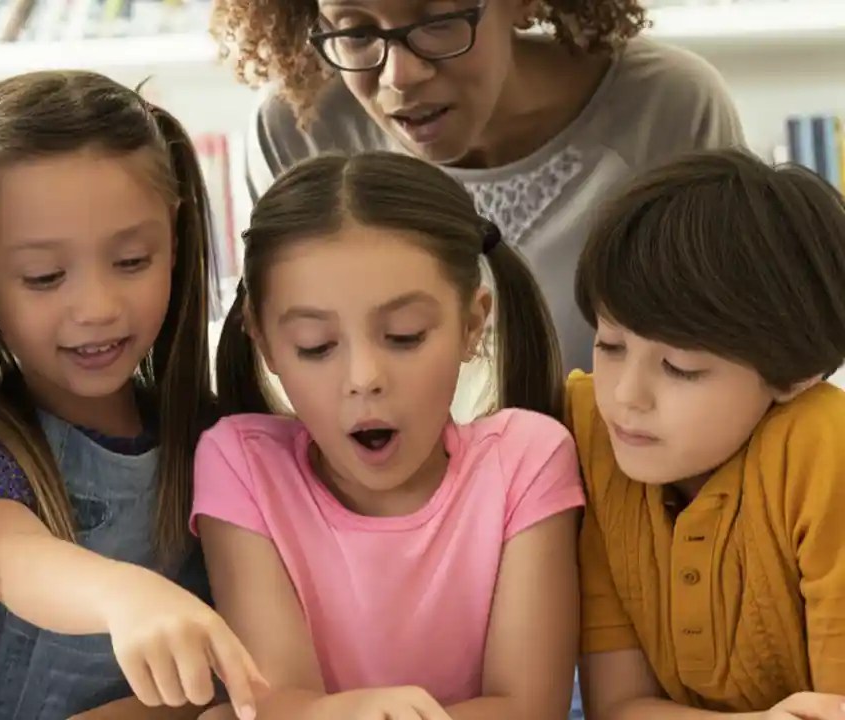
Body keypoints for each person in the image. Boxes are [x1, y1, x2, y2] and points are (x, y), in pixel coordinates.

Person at [0, 70, 267, 720]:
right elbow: (15, 561)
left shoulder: (218, 437)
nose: (96, 308)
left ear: (174, 241)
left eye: (130, 262)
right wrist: (127, 598)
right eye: (44, 276)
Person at [193, 150, 585, 719]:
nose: (364, 380)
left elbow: (528, 708)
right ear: (265, 341)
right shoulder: (240, 464)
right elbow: (276, 703)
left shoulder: (528, 457)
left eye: (404, 336)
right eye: (316, 346)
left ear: (473, 323)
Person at [214, 0, 745, 396]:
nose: (401, 74)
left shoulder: (668, 108)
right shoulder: (298, 126)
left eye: (441, 21)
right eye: (355, 33)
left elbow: (732, 362)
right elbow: (286, 383)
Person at [571, 149, 845, 719]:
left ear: (796, 374)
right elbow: (618, 707)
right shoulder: (593, 434)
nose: (626, 396)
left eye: (681, 368)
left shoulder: (825, 448)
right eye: (610, 345)